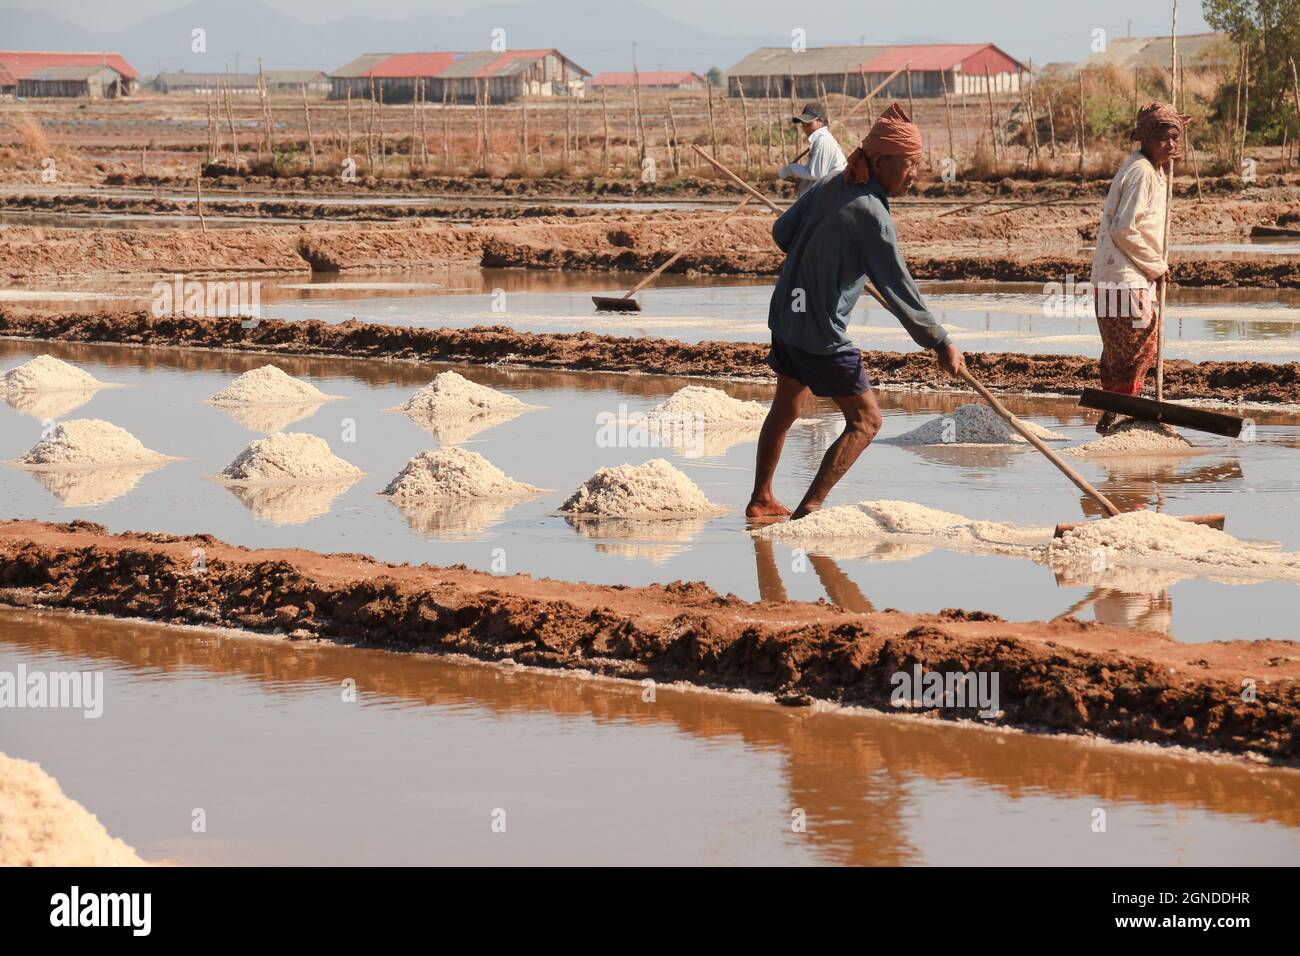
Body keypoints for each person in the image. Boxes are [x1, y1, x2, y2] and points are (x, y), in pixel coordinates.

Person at [747, 103, 965, 522]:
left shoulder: (831, 182)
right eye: (910, 164)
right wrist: (941, 342)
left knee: (786, 407)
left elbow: (782, 232)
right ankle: (809, 511)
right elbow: (900, 289)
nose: (915, 173)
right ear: (881, 161)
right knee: (866, 421)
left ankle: (761, 499)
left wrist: (824, 255)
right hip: (820, 334)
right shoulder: (873, 215)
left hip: (786, 317)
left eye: (918, 164)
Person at [1090, 101, 1189, 434]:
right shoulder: (1142, 172)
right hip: (1124, 279)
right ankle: (1123, 412)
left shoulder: (1152, 170)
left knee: (1122, 353)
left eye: (1175, 138)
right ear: (1145, 138)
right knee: (1139, 348)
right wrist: (1157, 266)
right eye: (1163, 138)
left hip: (1116, 278)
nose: (1171, 145)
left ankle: (1114, 411)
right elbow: (1124, 228)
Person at [778, 102, 847, 197]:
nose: (805, 128)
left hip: (830, 197)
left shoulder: (823, 141)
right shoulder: (819, 141)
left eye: (809, 124)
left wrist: (791, 168)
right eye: (803, 124)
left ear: (820, 122)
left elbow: (815, 174)